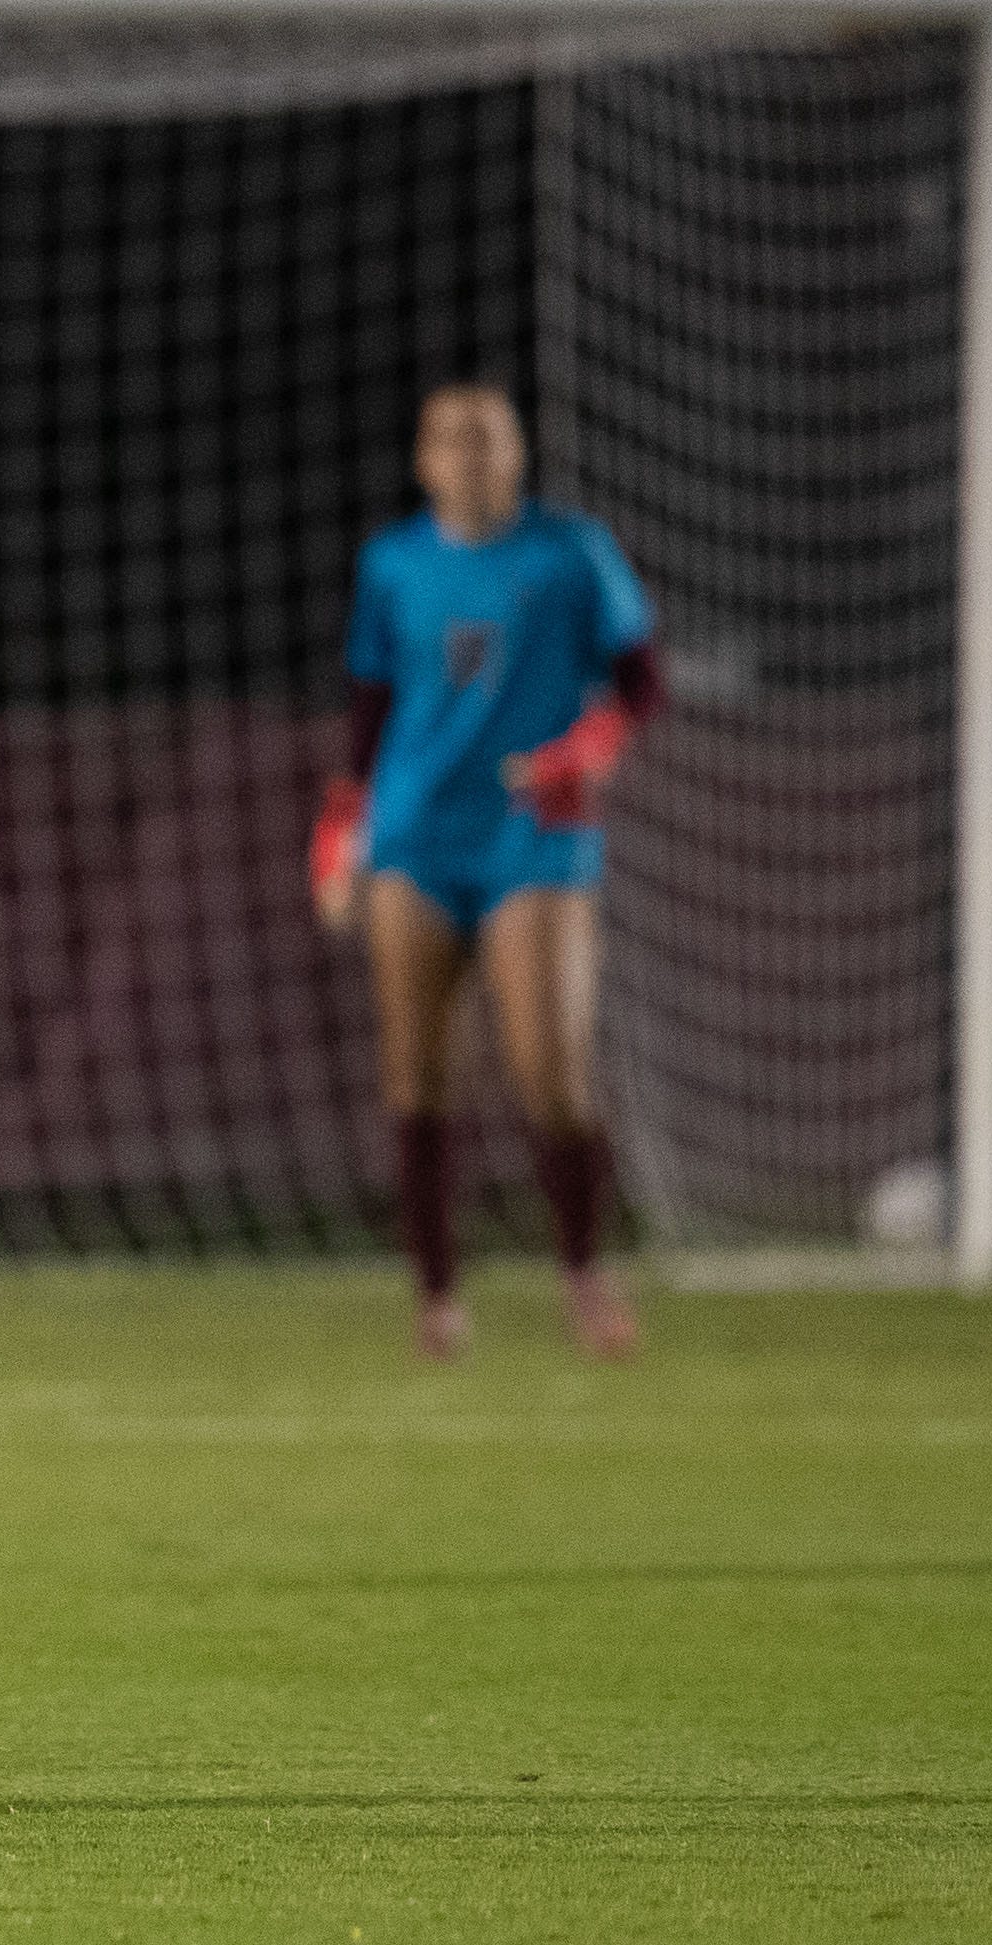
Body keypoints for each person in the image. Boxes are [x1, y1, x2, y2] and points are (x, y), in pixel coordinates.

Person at [311, 383, 662, 1362]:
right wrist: (342, 826)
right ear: (423, 460)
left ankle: (585, 1278)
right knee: (417, 1074)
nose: (468, 453)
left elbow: (641, 681)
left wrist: (584, 747)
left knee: (549, 1069)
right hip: (416, 835)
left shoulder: (570, 553)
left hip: (532, 838)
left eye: (487, 437)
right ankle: (435, 1296)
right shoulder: (393, 564)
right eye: (449, 439)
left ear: (516, 453)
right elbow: (371, 706)